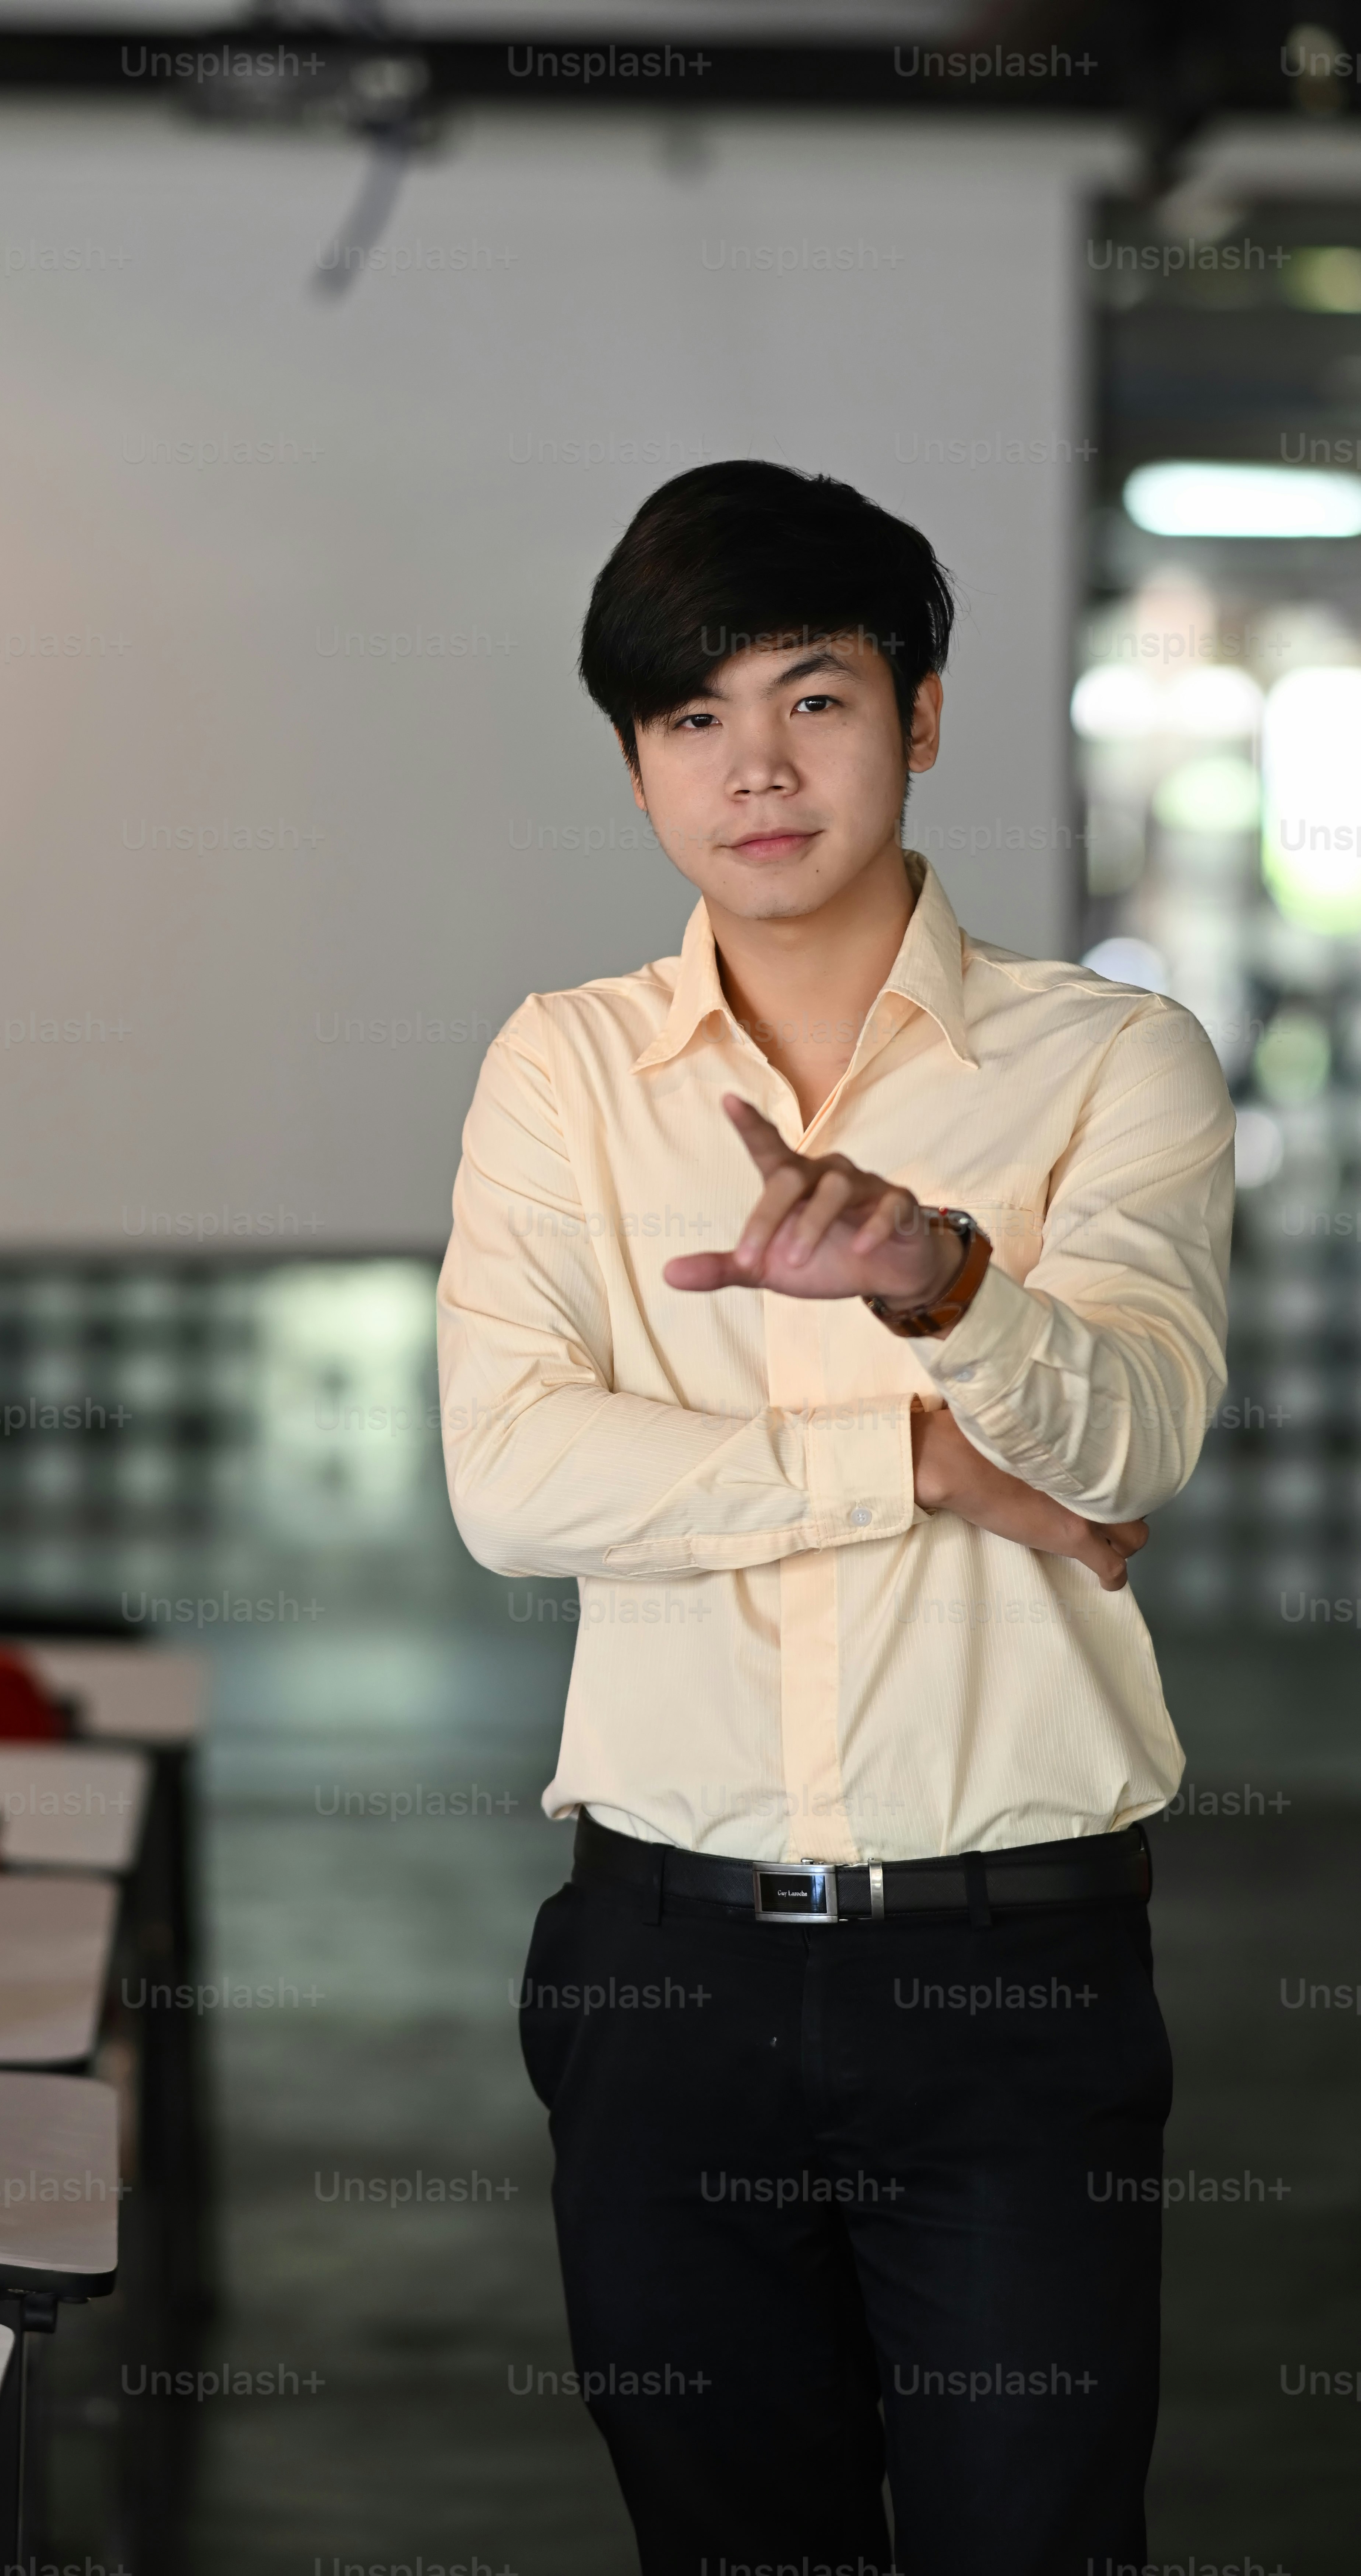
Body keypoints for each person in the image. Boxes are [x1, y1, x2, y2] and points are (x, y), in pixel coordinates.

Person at [436, 461, 1234, 2576]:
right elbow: (513, 1482)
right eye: (693, 719)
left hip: (1013, 1972)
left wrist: (941, 1282)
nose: (756, 767)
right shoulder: (566, 1073)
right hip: (659, 1972)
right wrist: (920, 1466)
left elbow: (1133, 1446)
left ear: (926, 715)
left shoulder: (1109, 1064)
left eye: (815, 698)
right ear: (635, 769)